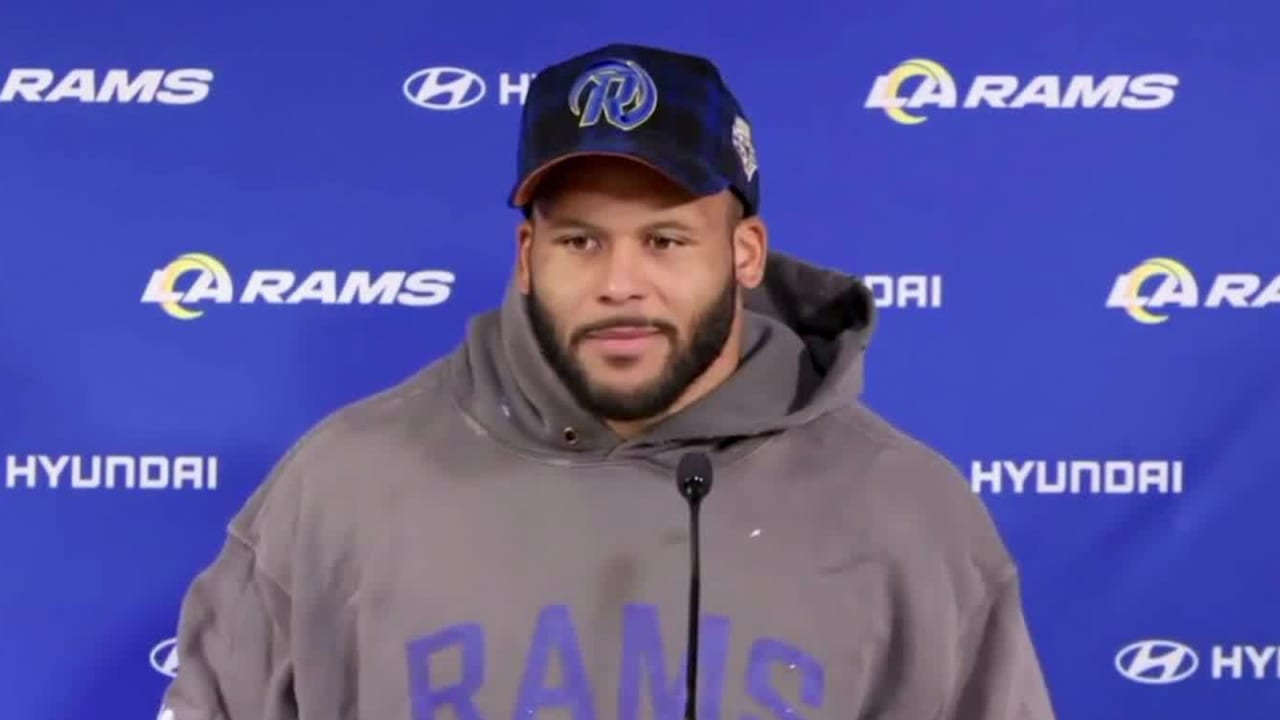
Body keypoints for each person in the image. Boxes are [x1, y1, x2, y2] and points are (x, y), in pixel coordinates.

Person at [156, 42, 1057, 719]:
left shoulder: (909, 515)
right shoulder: (340, 490)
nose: (620, 282)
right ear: (526, 255)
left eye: (665, 240)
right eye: (580, 240)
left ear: (744, 253)